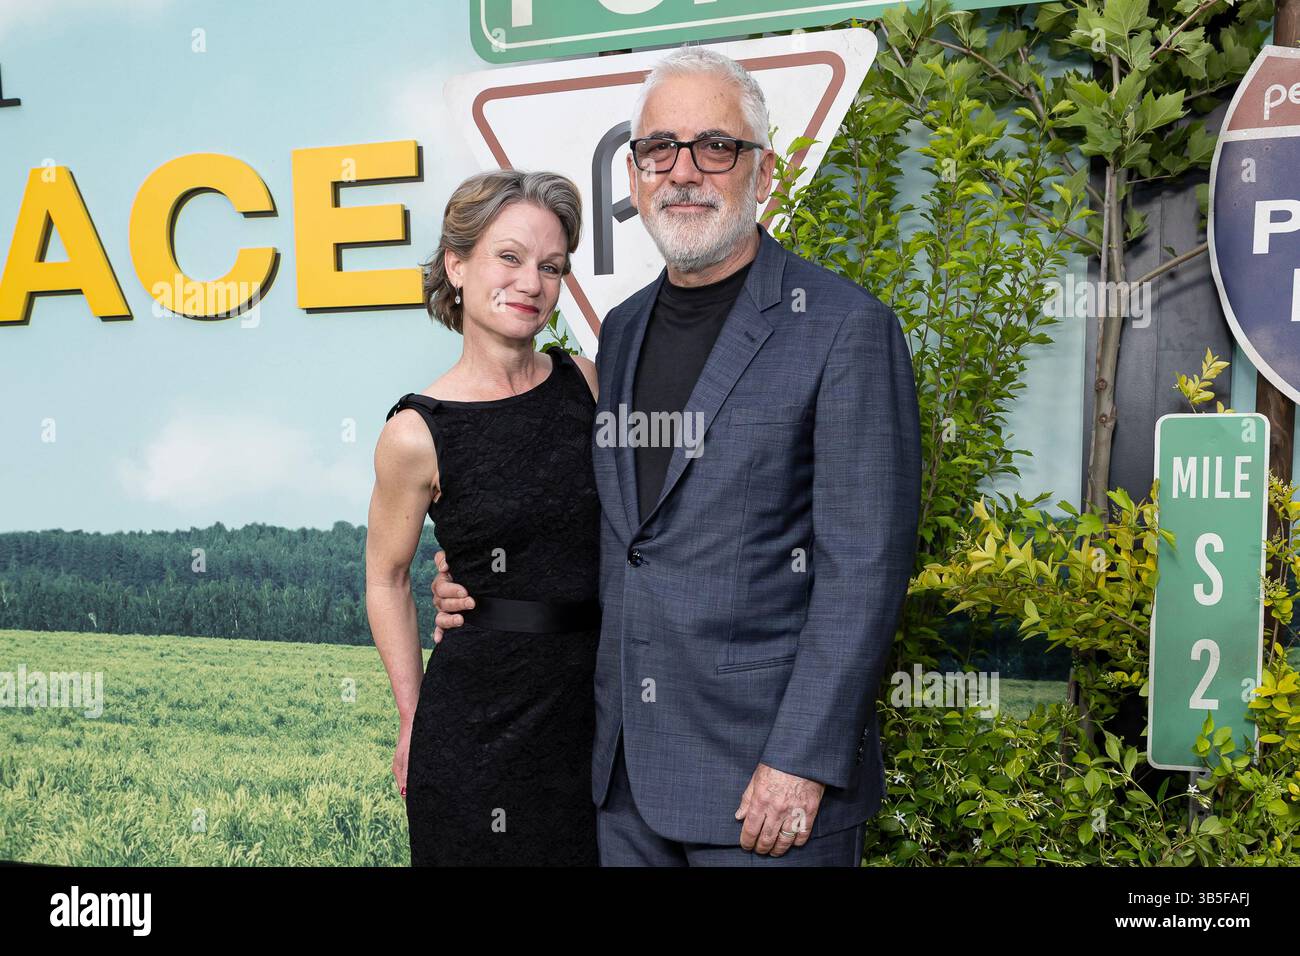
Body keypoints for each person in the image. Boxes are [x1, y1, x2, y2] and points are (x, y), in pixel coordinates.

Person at [433, 46, 921, 867]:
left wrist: (800, 761)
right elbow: (610, 529)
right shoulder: (619, 331)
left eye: (715, 147)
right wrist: (479, 580)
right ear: (634, 175)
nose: (684, 171)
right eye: (660, 148)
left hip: (764, 791)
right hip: (620, 785)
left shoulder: (843, 327)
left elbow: (865, 568)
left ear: (761, 173)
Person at [364, 169, 603, 866]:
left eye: (551, 266)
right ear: (457, 265)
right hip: (474, 731)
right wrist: (412, 716)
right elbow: (385, 578)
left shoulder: (588, 384)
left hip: (595, 719)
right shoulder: (416, 431)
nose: (532, 282)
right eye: (510, 257)